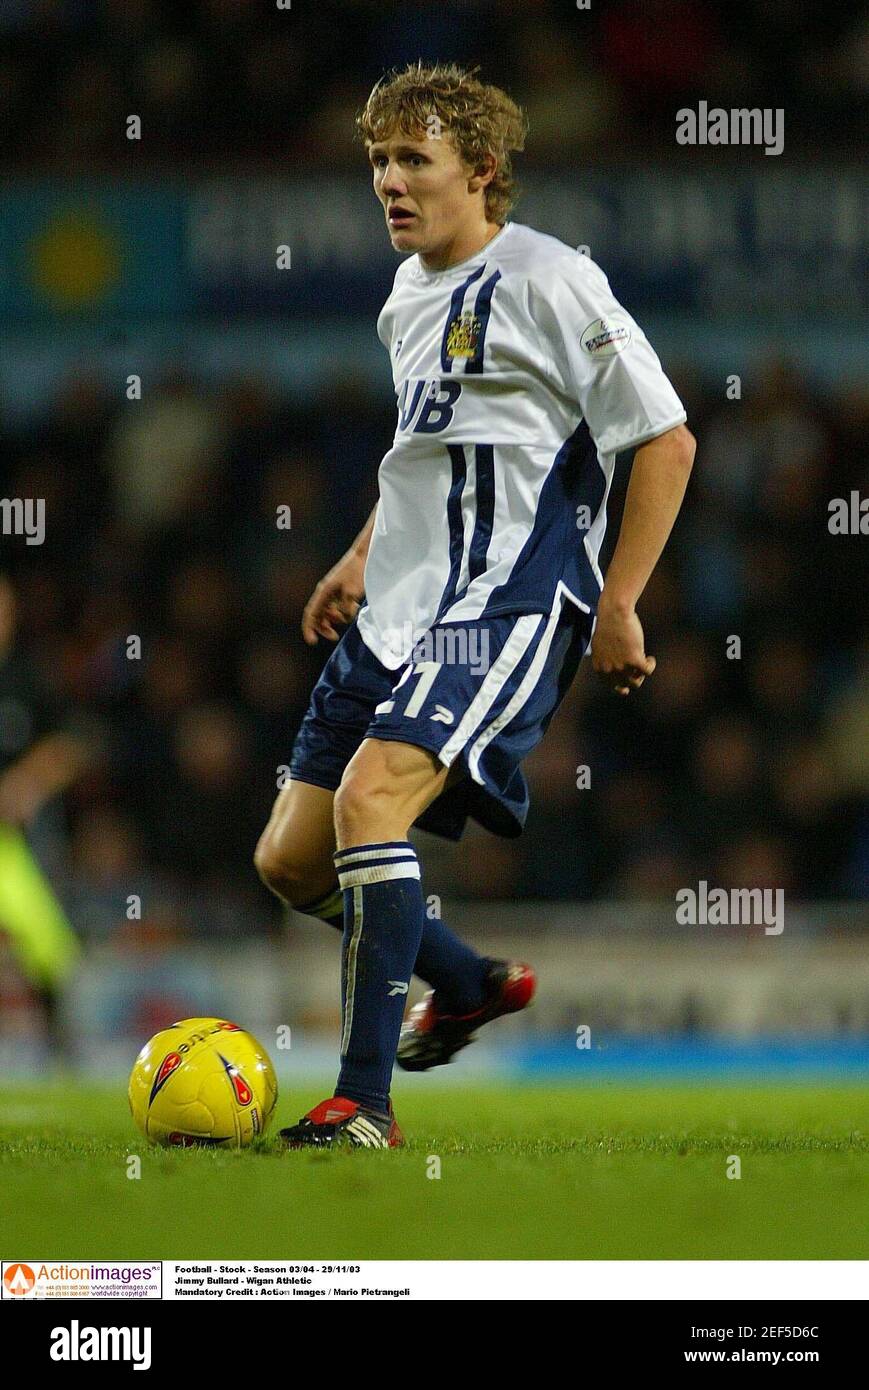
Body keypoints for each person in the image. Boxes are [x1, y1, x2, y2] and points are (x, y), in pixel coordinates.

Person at [255, 63, 695, 1149]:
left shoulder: (554, 280)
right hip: (395, 602)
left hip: (504, 598)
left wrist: (620, 602)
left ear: (482, 173)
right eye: (377, 162)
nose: (387, 183)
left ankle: (363, 1102)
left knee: (370, 804)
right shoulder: (404, 296)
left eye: (412, 160)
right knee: (289, 860)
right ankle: (464, 981)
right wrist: (360, 553)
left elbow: (665, 439)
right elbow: (428, 455)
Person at [0, 574, 93, 1058]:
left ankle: (60, 1051)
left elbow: (75, 744)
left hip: (9, 845)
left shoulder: (27, 680)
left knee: (47, 946)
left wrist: (27, 781)